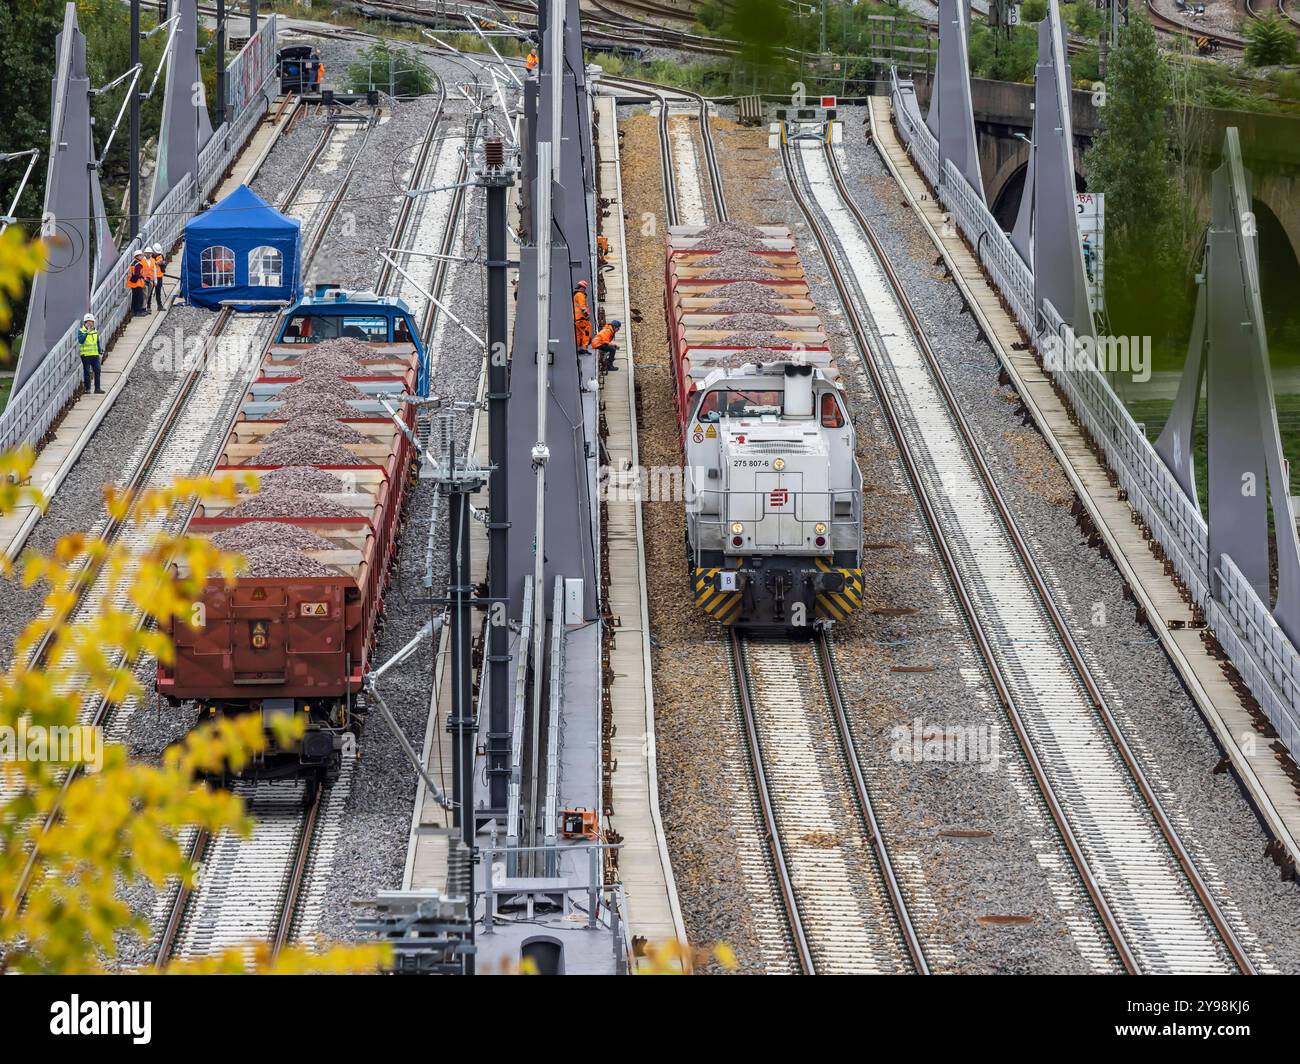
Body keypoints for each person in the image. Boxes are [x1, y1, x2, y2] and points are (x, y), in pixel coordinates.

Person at [78, 313, 104, 394]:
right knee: (87, 372)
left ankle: (97, 388)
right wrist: (87, 332)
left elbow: (97, 342)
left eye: (91, 322)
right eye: (88, 322)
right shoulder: (81, 331)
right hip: (85, 356)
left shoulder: (95, 331)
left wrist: (99, 351)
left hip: (95, 355)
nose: (90, 324)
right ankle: (87, 389)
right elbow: (81, 340)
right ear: (85, 323)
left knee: (97, 371)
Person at [572, 278, 592, 351]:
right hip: (581, 318)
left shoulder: (576, 295)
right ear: (583, 288)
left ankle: (578, 348)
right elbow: (583, 306)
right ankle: (584, 348)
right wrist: (587, 315)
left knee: (579, 334)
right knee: (586, 331)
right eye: (584, 288)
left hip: (576, 319)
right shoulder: (580, 295)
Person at [144, 243, 165, 311]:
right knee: (149, 292)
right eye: (156, 252)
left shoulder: (161, 256)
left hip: (159, 277)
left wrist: (162, 263)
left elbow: (163, 263)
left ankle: (159, 305)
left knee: (158, 292)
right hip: (151, 277)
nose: (157, 254)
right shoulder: (149, 257)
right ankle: (148, 306)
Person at [126, 251, 148, 315]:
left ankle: (134, 311)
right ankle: (138, 311)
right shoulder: (138, 265)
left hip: (133, 283)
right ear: (137, 256)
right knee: (139, 298)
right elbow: (137, 274)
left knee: (135, 298)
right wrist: (142, 278)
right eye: (140, 255)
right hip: (137, 283)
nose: (142, 256)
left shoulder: (134, 263)